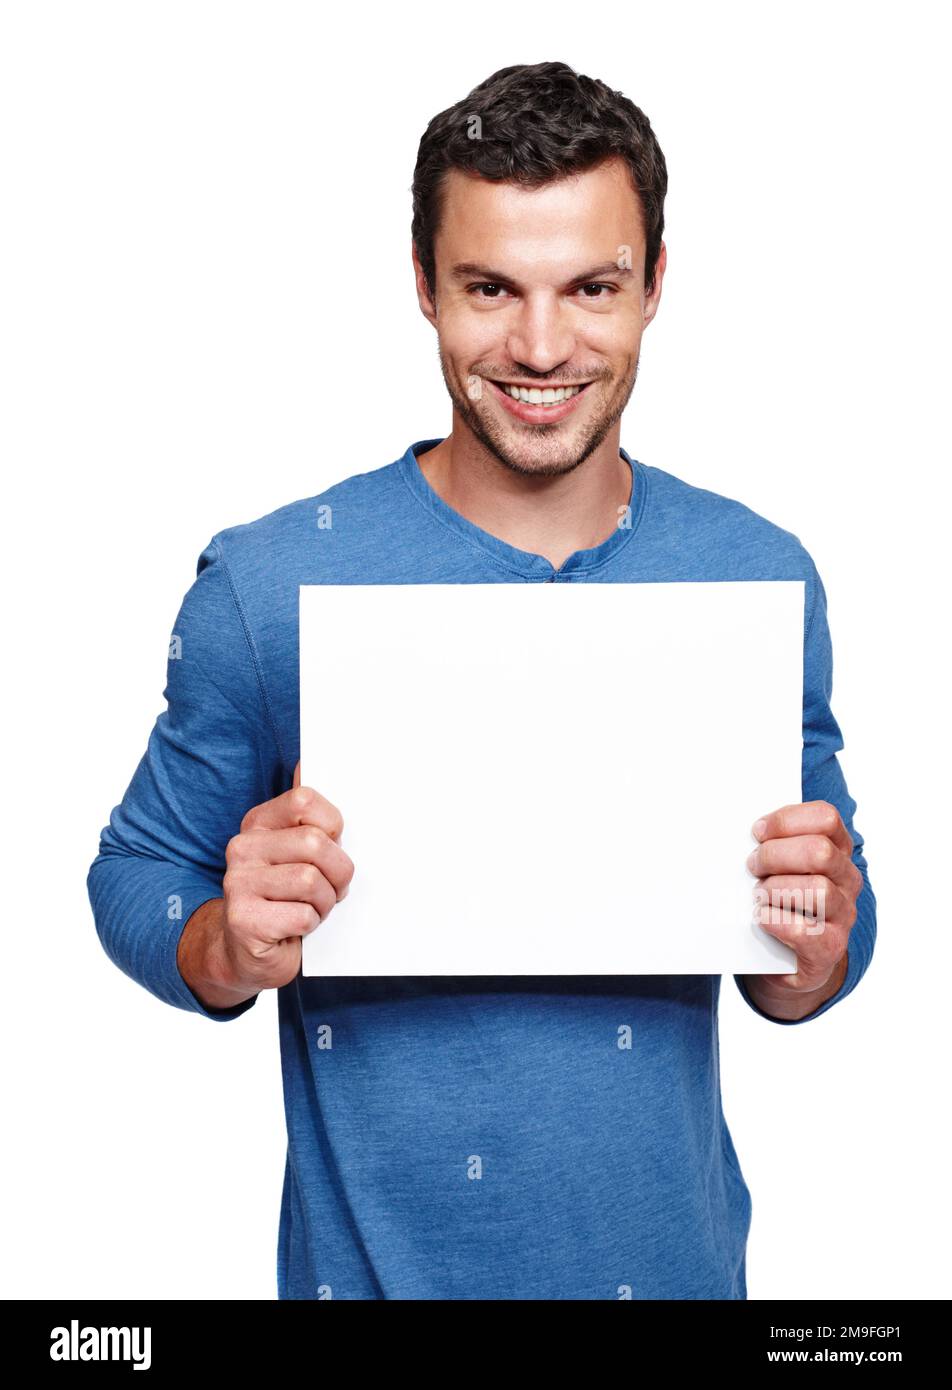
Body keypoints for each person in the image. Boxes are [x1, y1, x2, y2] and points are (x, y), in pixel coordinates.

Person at [88, 60, 876, 1300]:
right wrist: (223, 947)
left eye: (592, 288)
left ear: (657, 285)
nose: (541, 345)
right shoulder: (270, 583)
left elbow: (829, 926)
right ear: (422, 286)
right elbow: (135, 873)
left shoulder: (753, 572)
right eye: (490, 288)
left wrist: (815, 943)